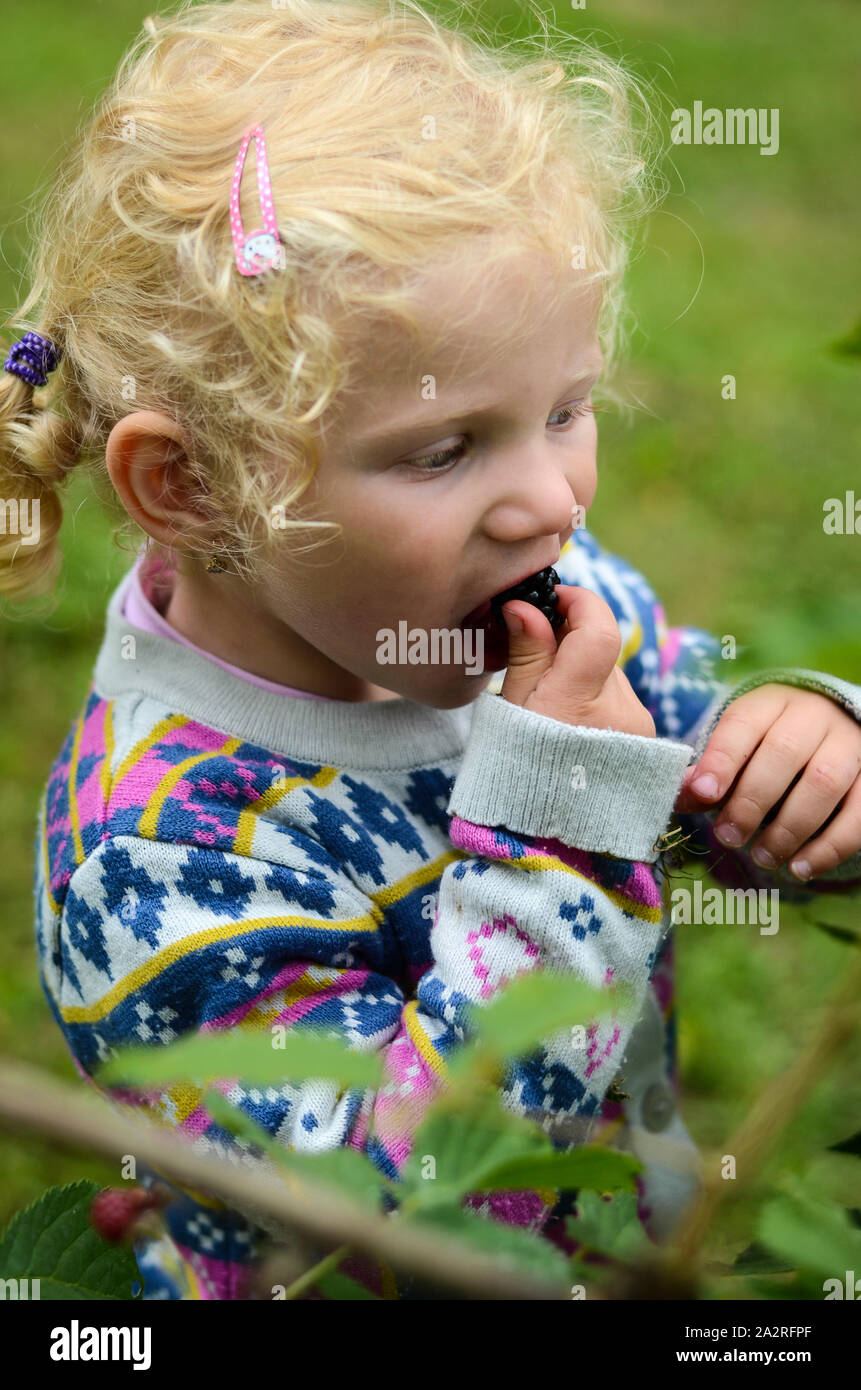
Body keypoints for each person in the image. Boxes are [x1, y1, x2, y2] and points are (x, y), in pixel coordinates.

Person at [3, 0, 859, 1300]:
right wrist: (555, 818)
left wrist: (805, 746)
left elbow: (706, 778)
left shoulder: (543, 593)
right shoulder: (161, 853)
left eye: (563, 409)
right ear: (190, 487)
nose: (551, 501)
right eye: (445, 447)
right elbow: (419, 1214)